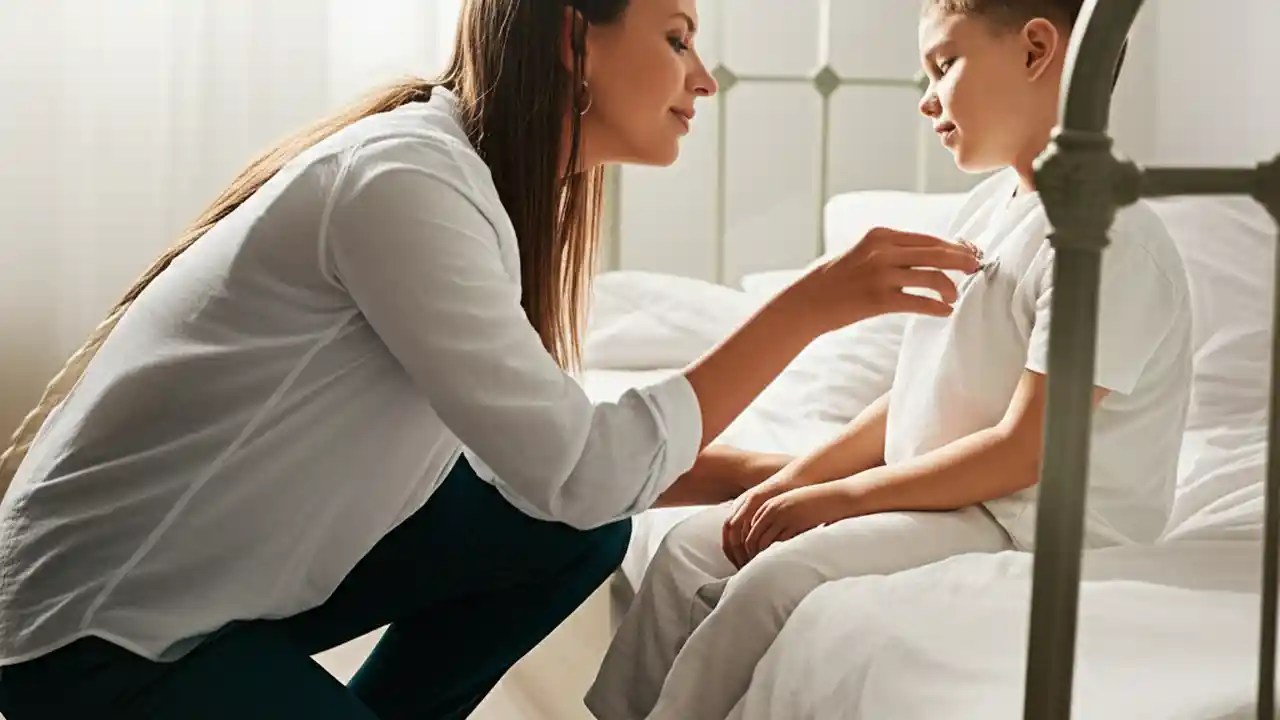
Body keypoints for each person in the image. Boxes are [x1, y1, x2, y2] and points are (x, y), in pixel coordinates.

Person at [0, 1, 980, 718]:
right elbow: (581, 466)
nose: (703, 79)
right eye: (677, 38)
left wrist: (815, 478)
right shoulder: (405, 185)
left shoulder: (468, 186)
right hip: (97, 636)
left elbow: (558, 466)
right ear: (573, 39)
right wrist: (806, 308)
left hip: (213, 588)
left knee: (575, 532)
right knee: (581, 504)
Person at [585, 0, 1192, 718]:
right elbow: (916, 396)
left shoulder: (1109, 239)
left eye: (944, 65)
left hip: (1024, 523)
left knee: (774, 585)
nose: (927, 99)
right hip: (955, 495)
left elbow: (1025, 452)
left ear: (1035, 51)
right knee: (692, 546)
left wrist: (843, 498)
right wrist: (794, 481)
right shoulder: (990, 209)